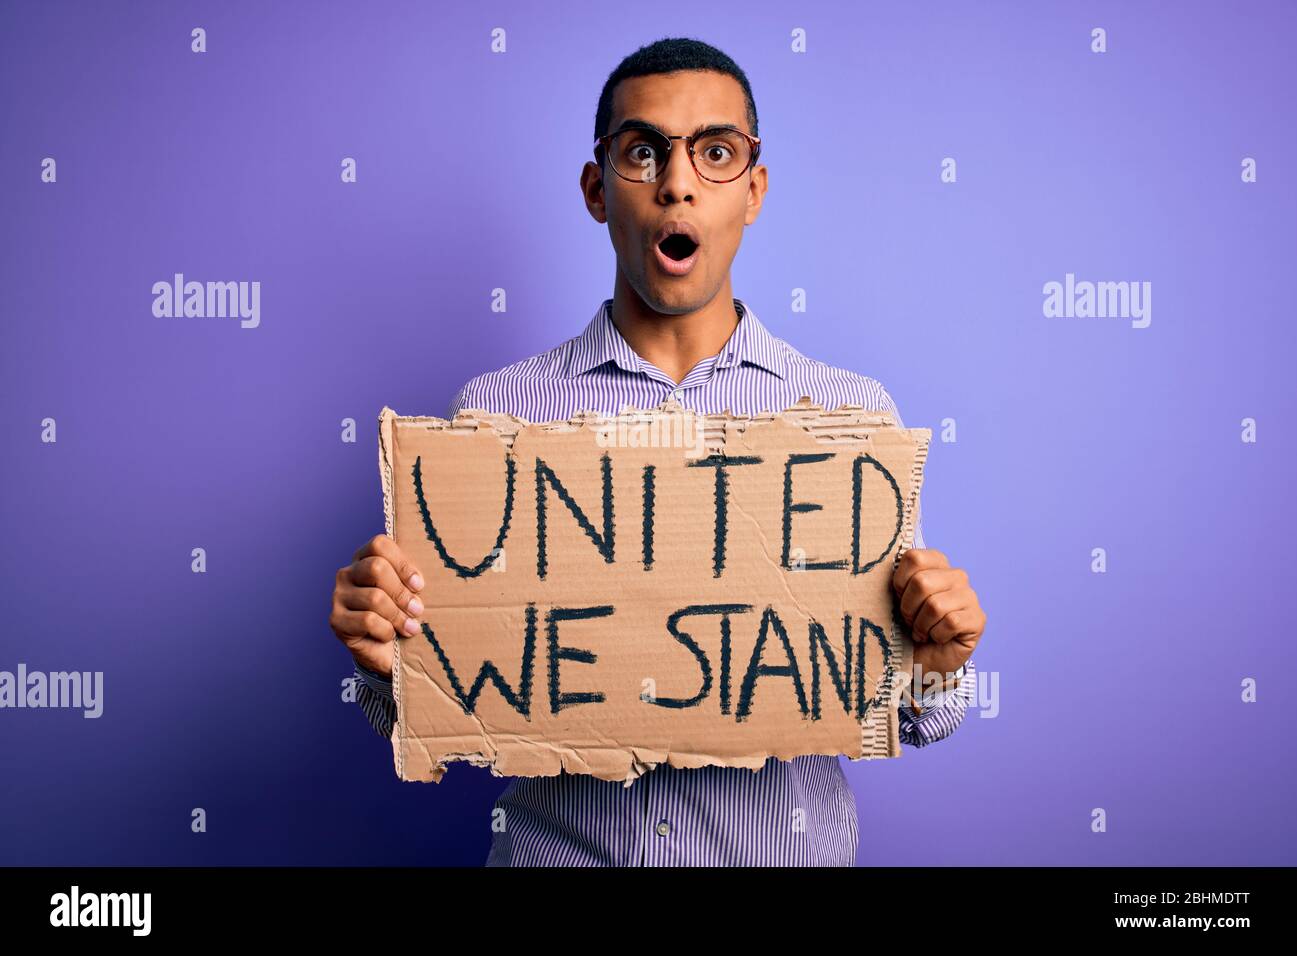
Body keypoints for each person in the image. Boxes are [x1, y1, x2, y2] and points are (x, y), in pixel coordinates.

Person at [329, 36, 986, 866]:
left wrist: (936, 663)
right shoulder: (495, 417)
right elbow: (436, 709)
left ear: (754, 191)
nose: (678, 182)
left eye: (716, 153)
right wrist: (387, 661)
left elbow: (919, 715)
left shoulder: (850, 422)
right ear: (598, 190)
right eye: (644, 152)